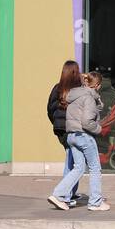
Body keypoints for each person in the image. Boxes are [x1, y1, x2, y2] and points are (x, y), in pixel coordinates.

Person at [48, 72, 110, 211]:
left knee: (78, 168)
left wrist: (97, 100)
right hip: (84, 136)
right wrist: (99, 129)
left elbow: (93, 110)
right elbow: (87, 122)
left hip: (72, 136)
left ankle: (58, 195)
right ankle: (95, 202)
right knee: (95, 168)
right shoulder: (88, 98)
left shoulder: (75, 96)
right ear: (98, 85)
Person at [46, 60, 82, 207]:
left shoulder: (57, 88)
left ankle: (70, 192)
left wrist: (56, 123)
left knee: (71, 158)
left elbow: (49, 109)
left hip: (60, 129)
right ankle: (63, 195)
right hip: (72, 129)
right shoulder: (78, 89)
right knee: (73, 163)